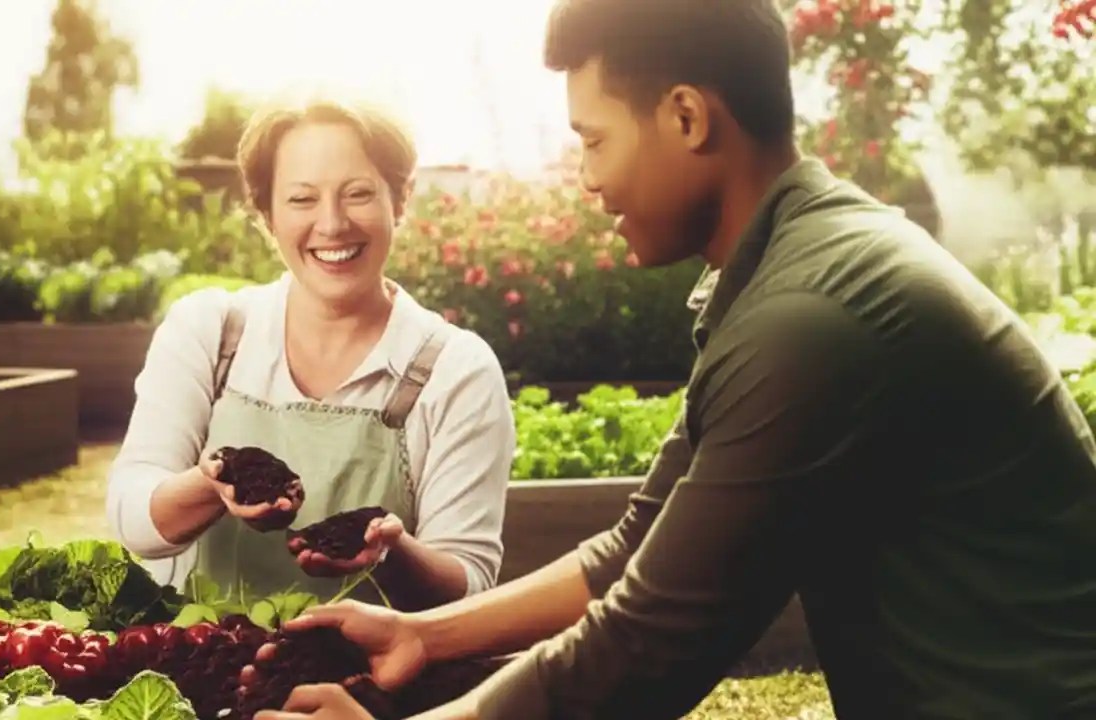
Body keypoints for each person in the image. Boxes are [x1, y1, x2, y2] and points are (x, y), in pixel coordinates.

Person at [245, 0, 1096, 718]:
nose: (585, 178)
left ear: (687, 117)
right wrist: (423, 636)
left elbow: (646, 647)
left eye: (595, 140)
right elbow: (631, 550)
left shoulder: (812, 318)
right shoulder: (791, 269)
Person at [105, 96, 515, 612]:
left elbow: (469, 583)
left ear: (401, 200)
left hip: (371, 687)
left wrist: (391, 552)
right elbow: (132, 514)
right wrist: (212, 487)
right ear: (266, 215)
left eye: (359, 194)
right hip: (200, 673)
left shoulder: (455, 371)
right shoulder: (209, 333)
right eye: (301, 199)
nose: (333, 224)